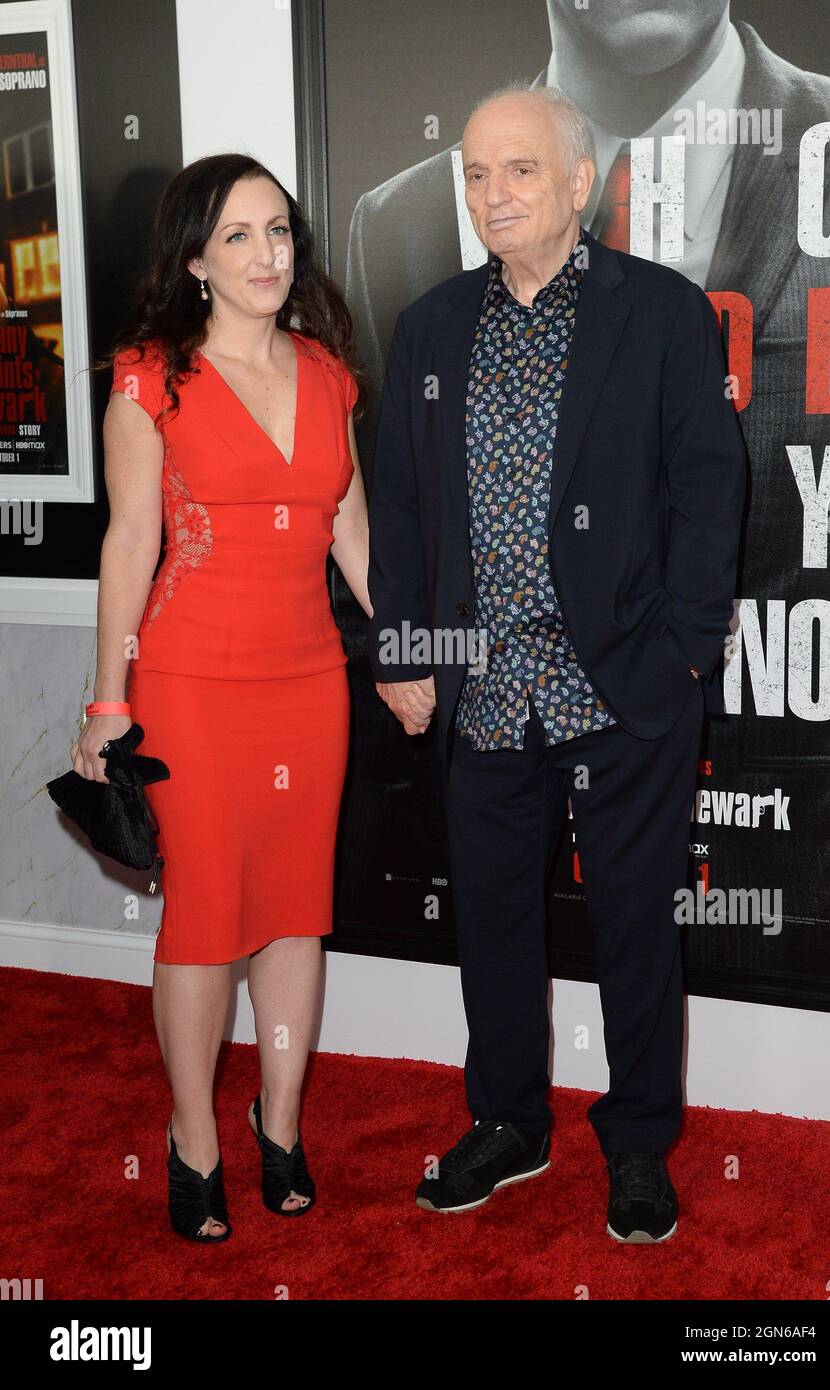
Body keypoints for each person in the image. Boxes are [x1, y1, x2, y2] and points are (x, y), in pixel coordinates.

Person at [367, 85, 747, 1240]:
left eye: (519, 169)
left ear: (579, 181)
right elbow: (400, 505)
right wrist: (403, 643)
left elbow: (709, 487)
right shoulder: (430, 325)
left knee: (634, 924)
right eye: (475, 173)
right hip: (480, 688)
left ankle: (636, 1144)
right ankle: (507, 1122)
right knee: (489, 922)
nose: (492, 194)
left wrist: (686, 652)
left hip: (623, 684)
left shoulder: (661, 312)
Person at [72, 154, 372, 1242]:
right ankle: (193, 1134)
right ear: (195, 260)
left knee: (293, 911)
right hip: (191, 683)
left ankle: (278, 1121)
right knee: (204, 919)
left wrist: (403, 649)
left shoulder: (328, 374)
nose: (265, 254)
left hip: (309, 682)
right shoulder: (150, 378)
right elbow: (129, 543)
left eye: (278, 231)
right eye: (237, 236)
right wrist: (109, 702)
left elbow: (349, 528)